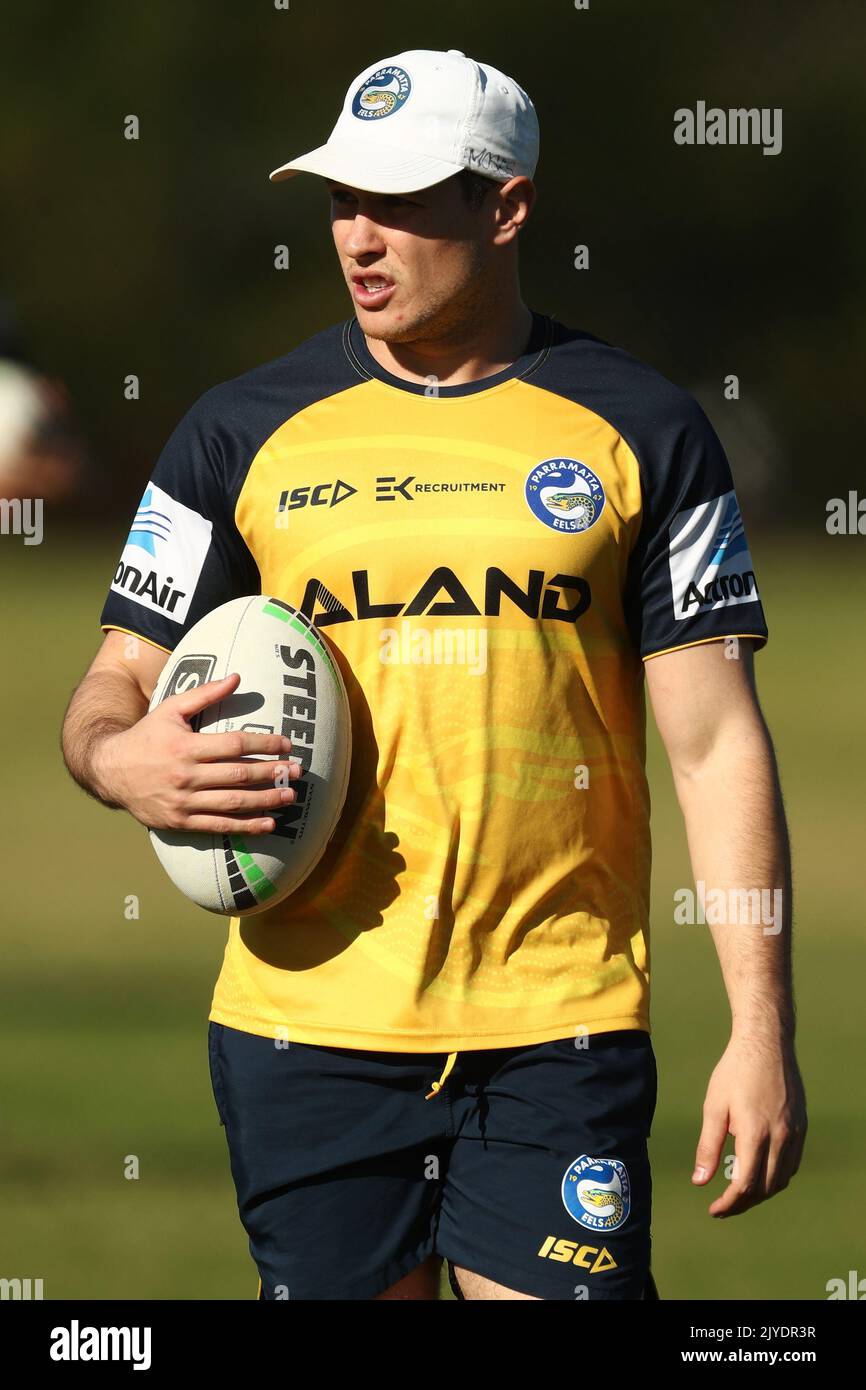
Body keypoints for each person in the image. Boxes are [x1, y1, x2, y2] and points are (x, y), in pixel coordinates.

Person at [61, 48, 806, 1301]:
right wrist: (120, 760)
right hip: (302, 1028)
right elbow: (109, 684)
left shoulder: (644, 427)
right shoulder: (236, 429)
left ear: (503, 206)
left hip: (555, 1028)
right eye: (341, 198)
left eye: (400, 201)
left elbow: (715, 742)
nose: (358, 235)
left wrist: (759, 1026)